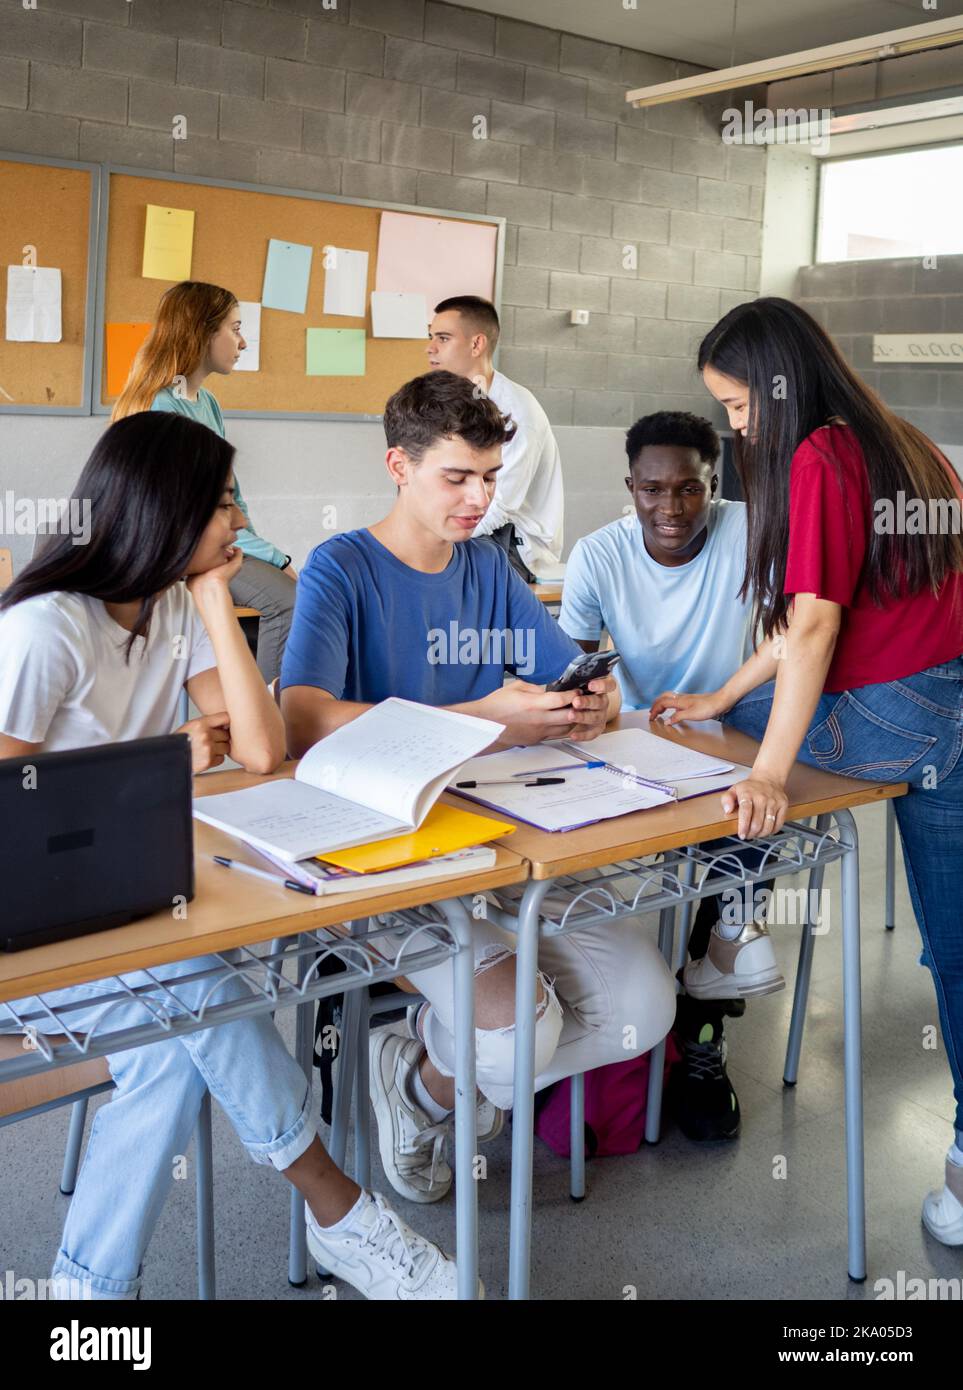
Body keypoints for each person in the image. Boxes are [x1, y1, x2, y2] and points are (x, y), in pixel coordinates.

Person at [0, 412, 466, 1299]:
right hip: (30, 916)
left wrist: (214, 601)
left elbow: (260, 751)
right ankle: (344, 1217)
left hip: (124, 895)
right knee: (201, 996)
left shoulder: (170, 604)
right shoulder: (45, 629)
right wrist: (154, 767)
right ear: (163, 511)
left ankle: (86, 1295)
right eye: (222, 505)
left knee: (172, 1049)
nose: (236, 522)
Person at [280, 370, 676, 1205]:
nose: (478, 498)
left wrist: (588, 698)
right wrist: (484, 717)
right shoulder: (340, 566)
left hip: (498, 838)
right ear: (399, 465)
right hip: (379, 855)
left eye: (491, 477)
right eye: (456, 477)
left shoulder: (487, 571)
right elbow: (304, 719)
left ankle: (434, 1071)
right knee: (515, 1038)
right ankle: (437, 1078)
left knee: (644, 1002)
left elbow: (553, 674)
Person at [650, 296, 963, 1245]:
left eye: (739, 408)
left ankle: (726, 930)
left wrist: (769, 775)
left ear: (777, 389)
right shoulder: (903, 441)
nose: (735, 427)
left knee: (731, 753)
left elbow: (815, 625)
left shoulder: (821, 455)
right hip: (952, 707)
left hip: (896, 711)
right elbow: (804, 622)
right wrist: (722, 694)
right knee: (954, 949)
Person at [560, 410, 755, 1141]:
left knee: (747, 836)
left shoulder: (751, 529)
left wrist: (727, 703)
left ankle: (703, 1030)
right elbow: (568, 673)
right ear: (628, 486)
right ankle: (609, 1021)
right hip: (638, 747)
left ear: (714, 485)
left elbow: (805, 631)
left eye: (688, 490)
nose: (669, 510)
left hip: (738, 731)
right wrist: (590, 704)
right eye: (650, 490)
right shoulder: (598, 555)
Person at [112, 281, 296, 684]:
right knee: (289, 602)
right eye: (235, 328)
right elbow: (192, 508)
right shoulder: (162, 404)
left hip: (210, 542)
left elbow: (232, 495)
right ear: (202, 331)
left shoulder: (207, 403)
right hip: (173, 552)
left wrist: (264, 551)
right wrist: (275, 559)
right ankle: (275, 719)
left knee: (290, 586)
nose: (243, 342)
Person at [427, 295, 564, 581]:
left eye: (443, 338)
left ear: (477, 344)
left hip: (513, 544)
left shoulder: (517, 412)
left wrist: (436, 540)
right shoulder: (455, 403)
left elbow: (499, 507)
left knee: (433, 569)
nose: (431, 348)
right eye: (431, 337)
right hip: (471, 526)